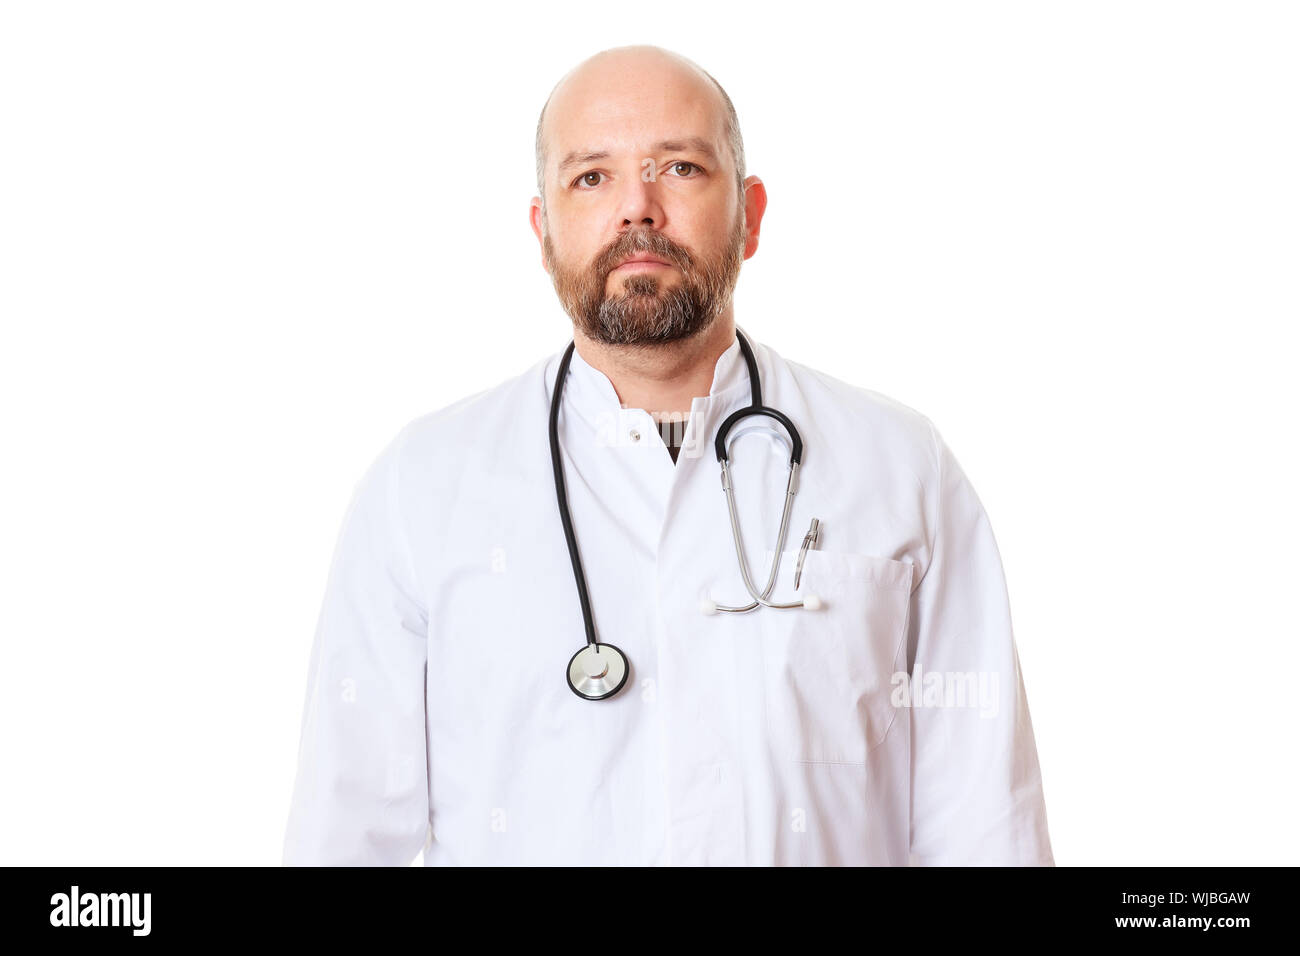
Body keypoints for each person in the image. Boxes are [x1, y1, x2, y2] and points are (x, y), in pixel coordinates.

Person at [281, 44, 1054, 866]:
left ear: (751, 215)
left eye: (680, 168)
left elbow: (984, 832)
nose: (637, 210)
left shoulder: (901, 469)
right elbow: (345, 836)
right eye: (591, 177)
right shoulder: (422, 487)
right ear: (542, 232)